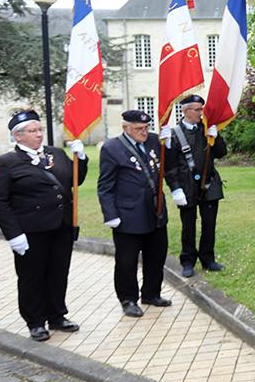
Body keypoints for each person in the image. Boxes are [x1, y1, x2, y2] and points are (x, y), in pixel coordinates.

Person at [0, 110, 88, 341]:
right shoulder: (5, 163)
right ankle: (35, 321)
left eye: (40, 129)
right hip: (31, 230)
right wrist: (13, 235)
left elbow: (76, 179)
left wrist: (80, 159)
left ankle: (57, 315)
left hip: (61, 225)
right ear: (18, 136)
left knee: (58, 273)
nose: (39, 134)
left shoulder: (56, 154)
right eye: (32, 131)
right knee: (32, 277)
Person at [97, 110, 170, 317]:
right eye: (138, 129)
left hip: (155, 210)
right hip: (128, 214)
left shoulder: (155, 141)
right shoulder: (112, 148)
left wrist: (170, 145)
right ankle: (128, 299)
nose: (144, 132)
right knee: (127, 261)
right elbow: (105, 185)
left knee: (156, 255)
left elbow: (167, 164)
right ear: (125, 127)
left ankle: (151, 293)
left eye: (146, 128)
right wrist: (110, 214)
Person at [162, 94, 227, 277]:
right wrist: (175, 189)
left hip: (209, 184)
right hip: (186, 187)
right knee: (188, 225)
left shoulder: (206, 130)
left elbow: (222, 153)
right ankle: (188, 261)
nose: (201, 113)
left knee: (209, 224)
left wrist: (217, 137)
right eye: (197, 110)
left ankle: (208, 259)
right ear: (185, 111)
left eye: (202, 109)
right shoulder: (174, 135)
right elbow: (170, 167)